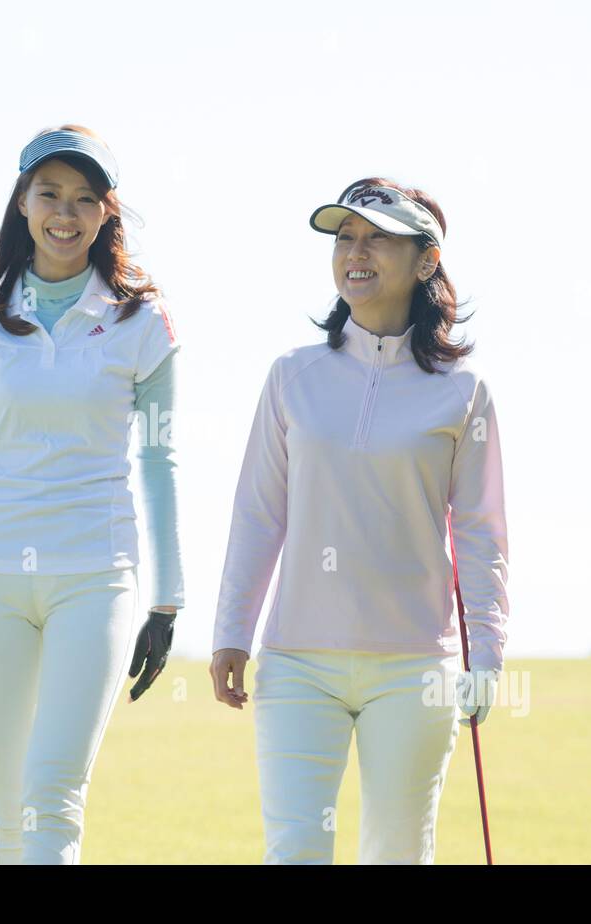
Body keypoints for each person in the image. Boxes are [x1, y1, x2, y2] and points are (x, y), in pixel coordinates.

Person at [0, 125, 184, 864]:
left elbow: (158, 458)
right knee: (11, 812)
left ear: (107, 213)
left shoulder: (142, 325)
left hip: (95, 576)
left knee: (52, 799)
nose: (65, 212)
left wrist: (166, 598)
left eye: (86, 198)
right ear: (22, 202)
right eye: (49, 193)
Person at [209, 177, 508, 864]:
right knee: (295, 852)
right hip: (296, 662)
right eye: (345, 237)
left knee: (397, 854)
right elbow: (259, 511)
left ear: (425, 260)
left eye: (377, 237)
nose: (356, 251)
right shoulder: (293, 375)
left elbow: (481, 529)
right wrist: (232, 629)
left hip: (414, 667)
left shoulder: (464, 392)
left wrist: (486, 653)